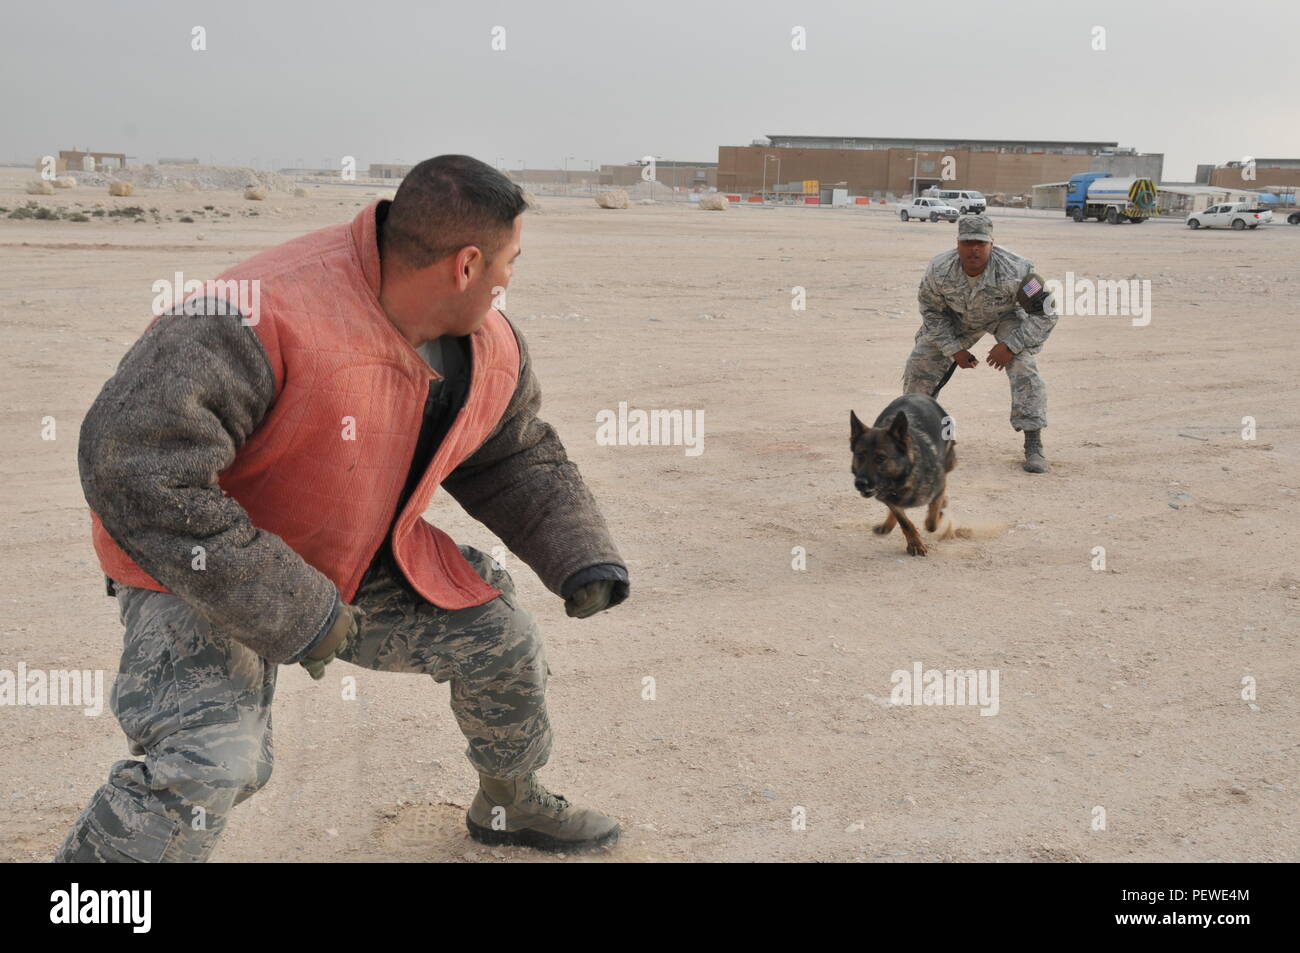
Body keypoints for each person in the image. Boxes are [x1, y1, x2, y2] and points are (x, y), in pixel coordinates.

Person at [56, 155, 628, 861]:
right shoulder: (255, 312)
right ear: (468, 263)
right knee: (212, 761)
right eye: (512, 260)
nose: (512, 278)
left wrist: (578, 553)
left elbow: (509, 452)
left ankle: (510, 800)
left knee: (500, 638)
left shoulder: (488, 345)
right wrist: (295, 607)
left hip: (349, 554)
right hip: (201, 568)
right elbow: (133, 467)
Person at [902, 213, 1058, 472]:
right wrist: (954, 350)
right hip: (957, 318)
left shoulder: (1019, 270)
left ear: (991, 244)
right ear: (957, 244)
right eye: (967, 242)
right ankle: (913, 433)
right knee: (919, 362)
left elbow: (1047, 312)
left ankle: (1033, 443)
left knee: (1024, 366)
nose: (974, 248)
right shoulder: (939, 269)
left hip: (1003, 317)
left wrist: (1011, 346)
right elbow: (931, 312)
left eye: (980, 243)